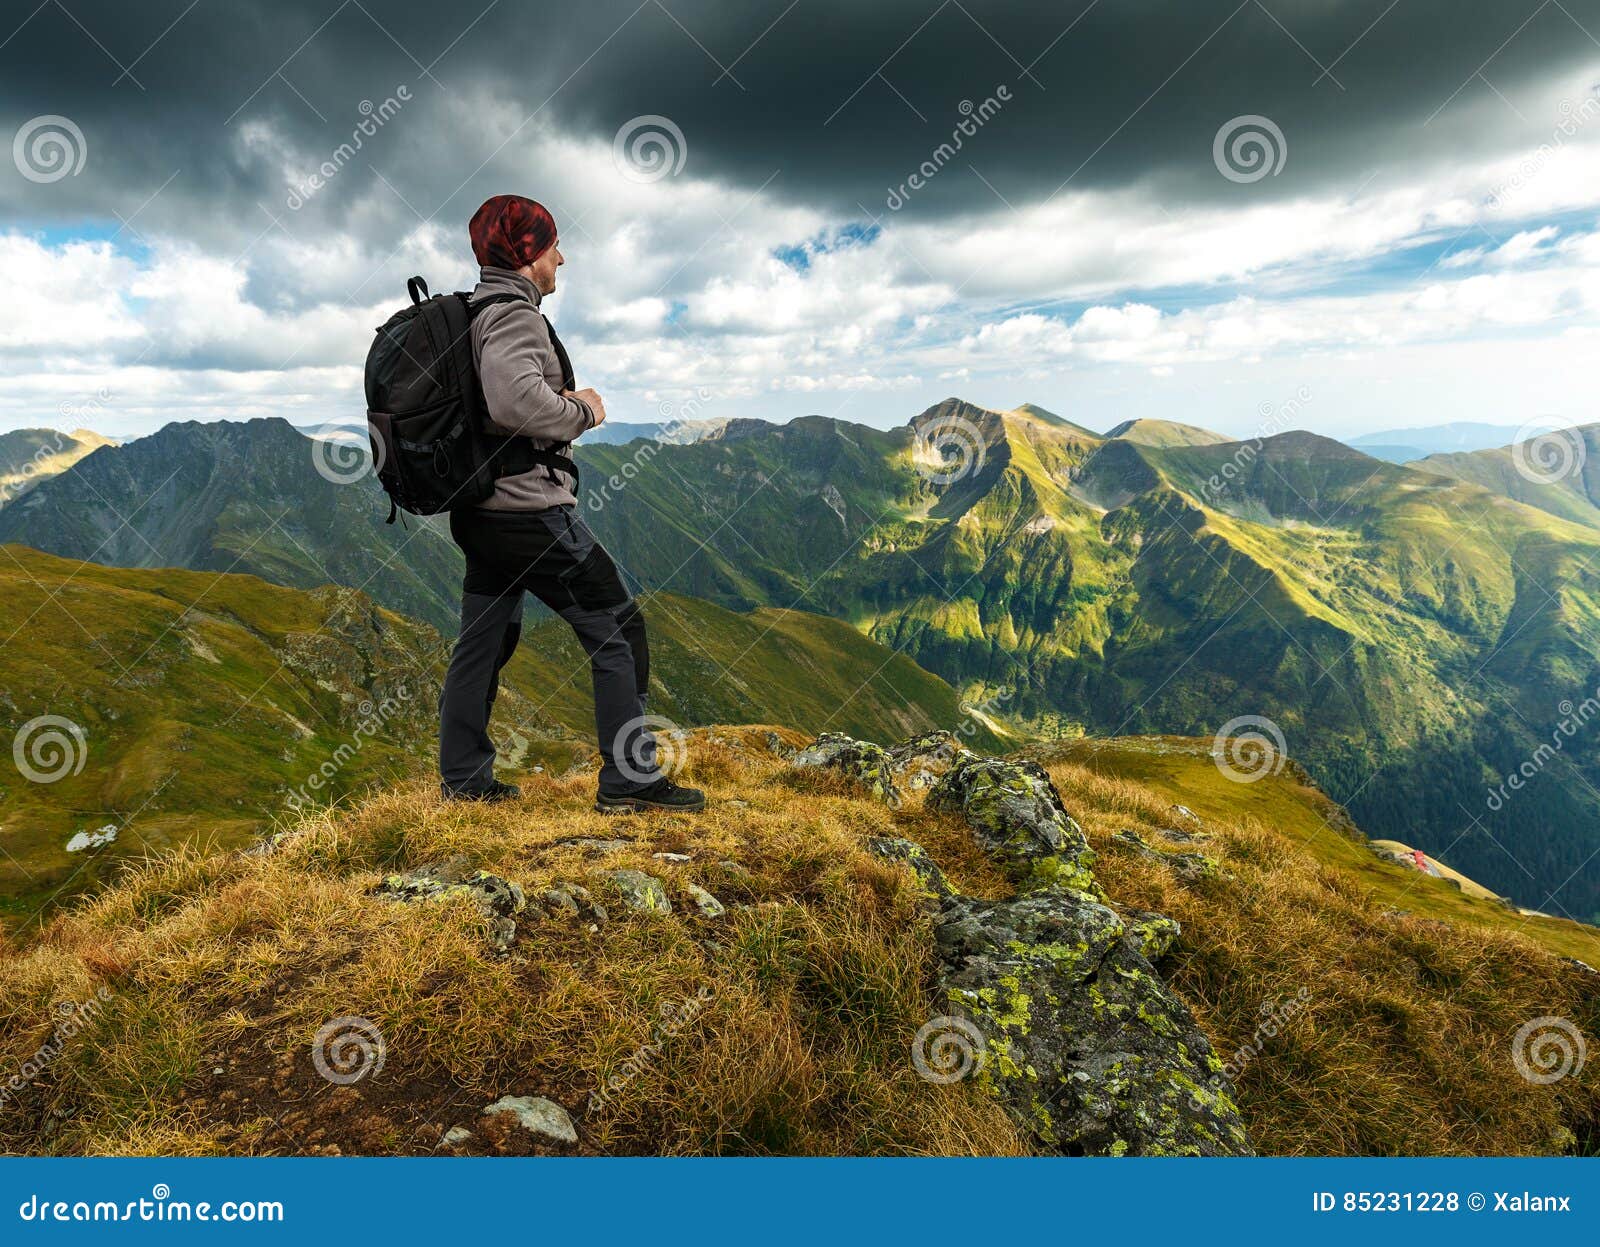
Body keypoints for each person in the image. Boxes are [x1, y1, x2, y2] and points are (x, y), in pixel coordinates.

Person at [437, 193, 704, 814]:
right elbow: (513, 404)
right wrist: (584, 409)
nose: (563, 256)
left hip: (481, 515)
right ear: (529, 253)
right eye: (553, 244)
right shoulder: (513, 316)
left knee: (483, 641)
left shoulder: (473, 312)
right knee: (617, 630)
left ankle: (465, 783)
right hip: (530, 516)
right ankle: (629, 781)